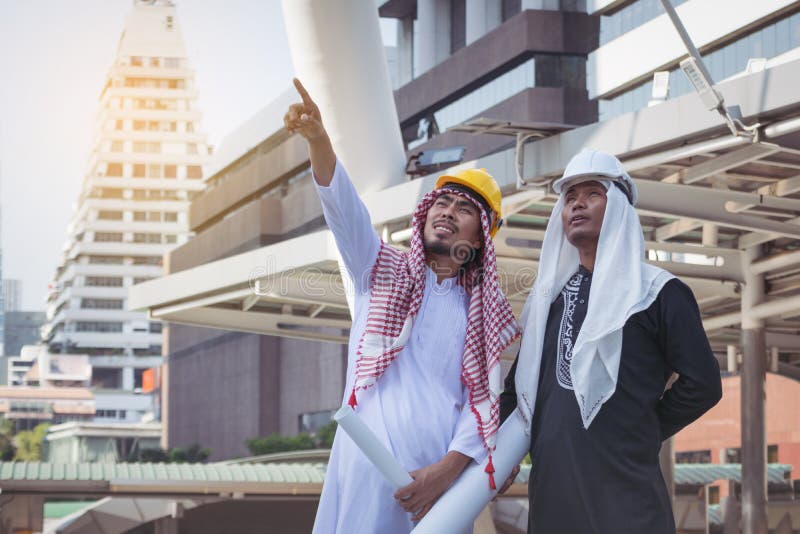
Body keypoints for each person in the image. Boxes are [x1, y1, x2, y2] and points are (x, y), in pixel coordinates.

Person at [284, 78, 520, 533]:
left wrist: (445, 473)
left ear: (480, 238)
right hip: (365, 469)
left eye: (464, 209)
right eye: (442, 201)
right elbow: (344, 211)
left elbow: (481, 407)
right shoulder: (380, 270)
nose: (447, 211)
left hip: (437, 491)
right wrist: (319, 141)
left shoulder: (483, 315)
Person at [498, 148, 723, 533]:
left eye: (592, 194)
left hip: (626, 497)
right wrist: (498, 459)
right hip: (552, 497)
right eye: (569, 197)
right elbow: (515, 392)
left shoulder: (658, 292)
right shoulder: (547, 301)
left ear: (618, 207)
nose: (577, 204)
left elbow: (703, 383)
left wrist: (645, 429)